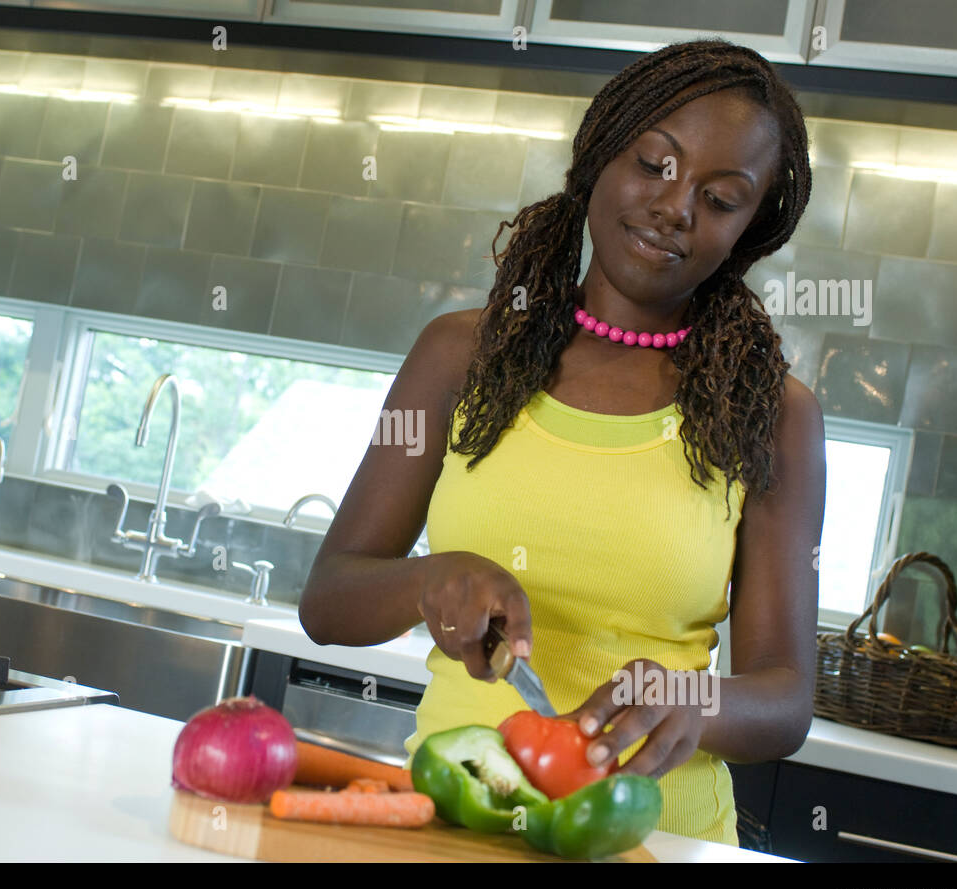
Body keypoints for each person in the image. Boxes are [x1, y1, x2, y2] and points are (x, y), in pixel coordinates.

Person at [298, 38, 826, 847]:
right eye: (655, 162)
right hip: (455, 825)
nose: (676, 205)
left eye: (721, 199)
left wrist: (698, 700)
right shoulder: (455, 357)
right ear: (600, 156)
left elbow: (786, 699)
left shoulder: (774, 415)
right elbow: (328, 599)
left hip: (659, 838)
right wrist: (431, 581)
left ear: (750, 230)